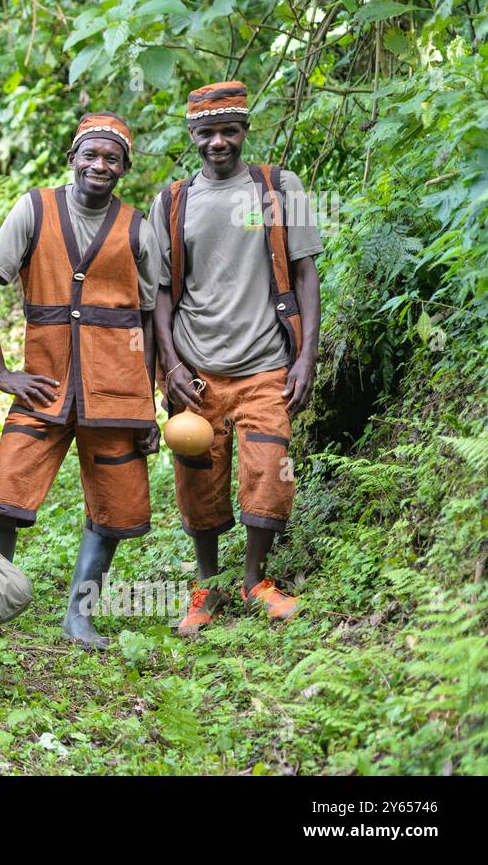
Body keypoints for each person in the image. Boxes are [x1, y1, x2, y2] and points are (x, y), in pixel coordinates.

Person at [0, 113, 160, 650]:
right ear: (73, 158)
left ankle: (80, 616)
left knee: (114, 505)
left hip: (117, 391)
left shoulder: (135, 226)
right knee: (4, 496)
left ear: (123, 168)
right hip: (45, 384)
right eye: (91, 155)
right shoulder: (36, 209)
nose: (100, 166)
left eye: (112, 159)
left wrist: (148, 405)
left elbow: (149, 316)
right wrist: (1, 370)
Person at [151, 81, 323, 635]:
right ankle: (208, 585)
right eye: (207, 132)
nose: (218, 142)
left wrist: (306, 359)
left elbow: (305, 275)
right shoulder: (172, 201)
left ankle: (254, 580)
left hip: (267, 363)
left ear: (246, 130)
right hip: (197, 370)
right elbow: (157, 293)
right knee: (196, 476)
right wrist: (171, 366)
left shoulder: (280, 186)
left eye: (229, 130)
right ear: (192, 136)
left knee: (270, 471)